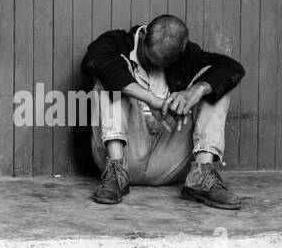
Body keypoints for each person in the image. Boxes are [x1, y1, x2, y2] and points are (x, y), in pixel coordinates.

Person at [81, 14, 245, 210]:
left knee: (215, 86)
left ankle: (202, 177)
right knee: (109, 81)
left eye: (162, 64)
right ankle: (116, 174)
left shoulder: (187, 55)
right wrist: (153, 101)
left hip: (167, 159)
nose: (156, 67)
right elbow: (94, 60)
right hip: (127, 152)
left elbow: (233, 68)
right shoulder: (115, 42)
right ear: (143, 37)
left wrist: (195, 91)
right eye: (151, 59)